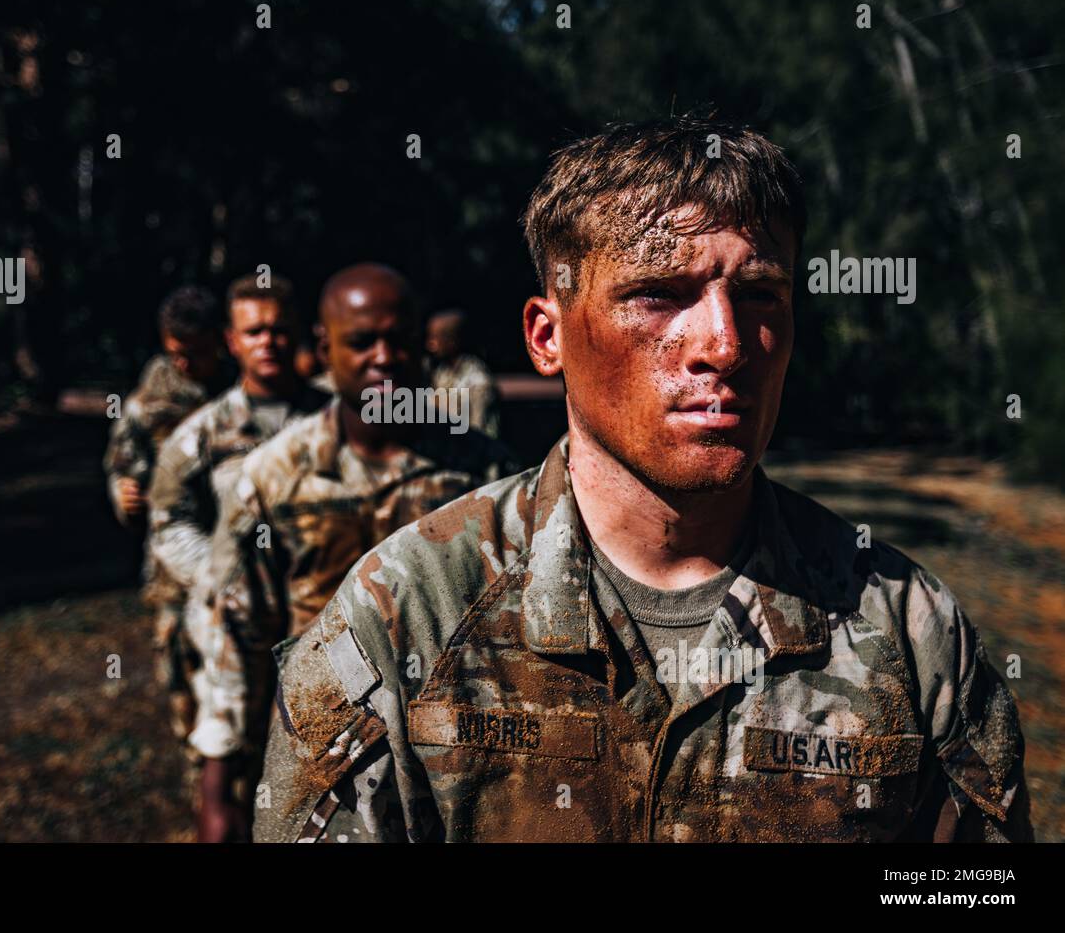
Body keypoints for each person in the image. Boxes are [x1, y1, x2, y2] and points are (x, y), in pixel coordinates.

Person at [254, 118, 1032, 842]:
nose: (725, 343)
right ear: (547, 335)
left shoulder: (911, 632)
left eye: (761, 294)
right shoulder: (404, 618)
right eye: (658, 293)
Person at [196, 263, 518, 842]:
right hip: (324, 758)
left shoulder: (484, 472)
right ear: (324, 348)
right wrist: (219, 783)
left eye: (398, 340)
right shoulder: (273, 477)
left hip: (458, 751)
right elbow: (235, 628)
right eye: (361, 342)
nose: (383, 357)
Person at [146, 273, 330, 812]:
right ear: (231, 341)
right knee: (228, 767)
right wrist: (227, 582)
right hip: (234, 631)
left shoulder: (337, 421)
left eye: (277, 330)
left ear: (297, 332)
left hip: (322, 623)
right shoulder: (203, 433)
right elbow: (168, 521)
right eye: (253, 332)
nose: (267, 342)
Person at [103, 284, 224, 735]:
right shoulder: (152, 394)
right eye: (175, 352)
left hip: (244, 559)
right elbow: (122, 459)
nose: (183, 364)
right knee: (182, 677)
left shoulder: (250, 386)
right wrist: (122, 491)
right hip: (175, 570)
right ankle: (199, 777)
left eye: (195, 352)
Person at [426, 308, 500, 438]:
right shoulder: (440, 373)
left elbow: (481, 435)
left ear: (452, 341)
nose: (430, 345)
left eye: (436, 339)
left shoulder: (478, 383)